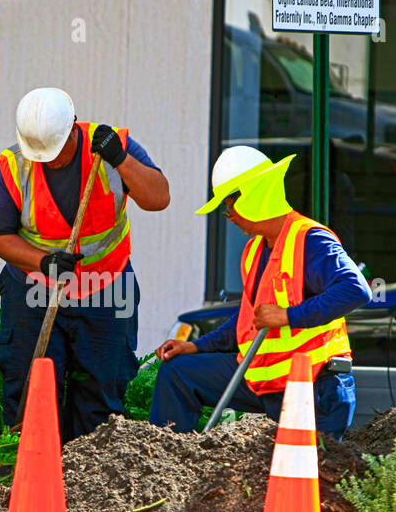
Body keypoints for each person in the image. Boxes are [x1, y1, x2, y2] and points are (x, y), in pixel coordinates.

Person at [0, 87, 171, 442]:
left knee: (102, 396)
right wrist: (42, 261)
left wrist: (121, 160)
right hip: (35, 289)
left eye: (55, 151)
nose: (48, 161)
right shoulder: (13, 165)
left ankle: (90, 482)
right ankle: (32, 475)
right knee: (31, 393)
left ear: (72, 128)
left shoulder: (112, 148)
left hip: (107, 288)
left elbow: (159, 198)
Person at [150, 146, 371, 439]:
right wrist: (198, 346)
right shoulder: (255, 249)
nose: (228, 216)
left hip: (316, 386)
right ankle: (169, 469)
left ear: (251, 197)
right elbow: (247, 321)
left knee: (305, 480)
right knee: (178, 371)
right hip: (268, 380)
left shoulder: (311, 239)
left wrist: (288, 316)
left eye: (227, 206)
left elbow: (356, 289)